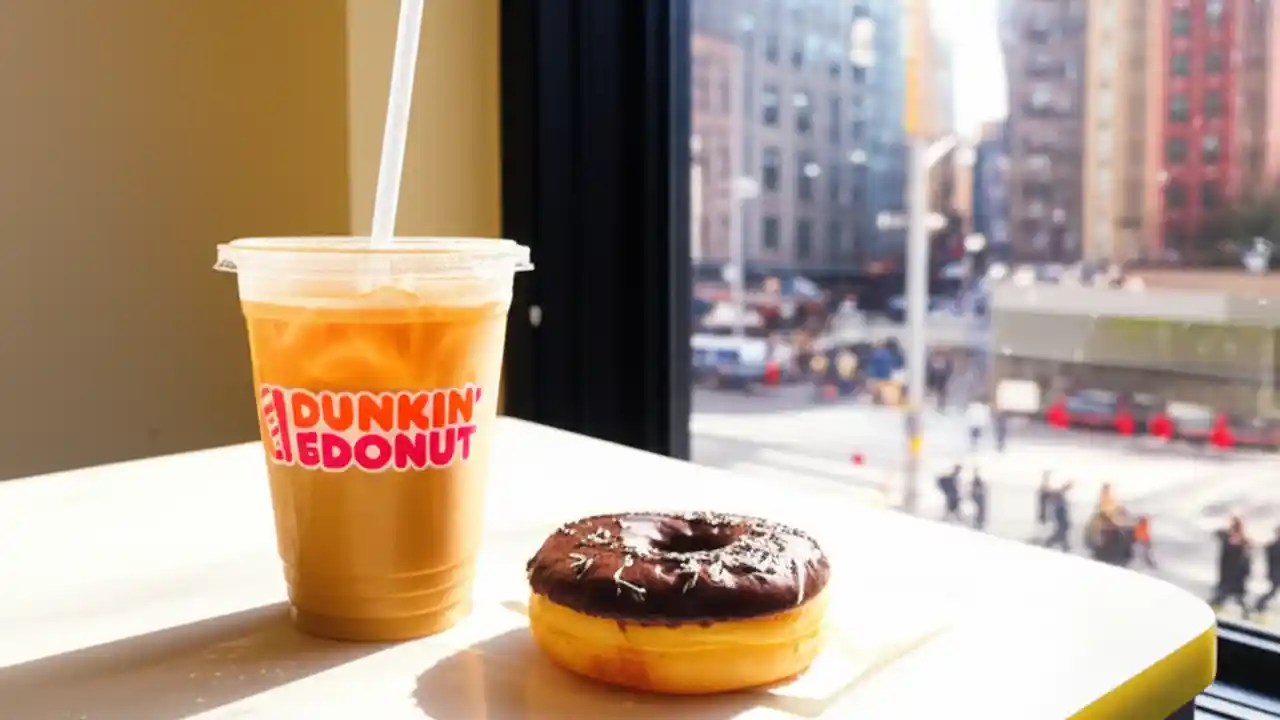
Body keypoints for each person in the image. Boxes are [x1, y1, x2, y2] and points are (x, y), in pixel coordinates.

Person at [1210, 515, 1253, 618]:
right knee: (1220, 597)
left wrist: (1246, 573)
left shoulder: (1243, 543)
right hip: (1227, 575)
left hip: (1237, 576)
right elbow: (1217, 534)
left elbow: (1246, 560)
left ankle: (1246, 615)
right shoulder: (1227, 539)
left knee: (1239, 598)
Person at [1256, 526, 1280, 615]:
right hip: (1276, 573)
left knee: (1272, 591)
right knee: (1272, 591)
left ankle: (1260, 605)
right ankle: (1259, 605)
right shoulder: (1274, 546)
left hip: (1274, 573)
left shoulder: (1272, 546)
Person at [1045, 482, 1073, 551]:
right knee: (1062, 529)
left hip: (1061, 513)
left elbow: (1062, 490)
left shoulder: (1056, 498)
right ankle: (1051, 541)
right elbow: (1061, 490)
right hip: (1060, 514)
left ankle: (1064, 545)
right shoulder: (1055, 497)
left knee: (1063, 529)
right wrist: (1067, 486)